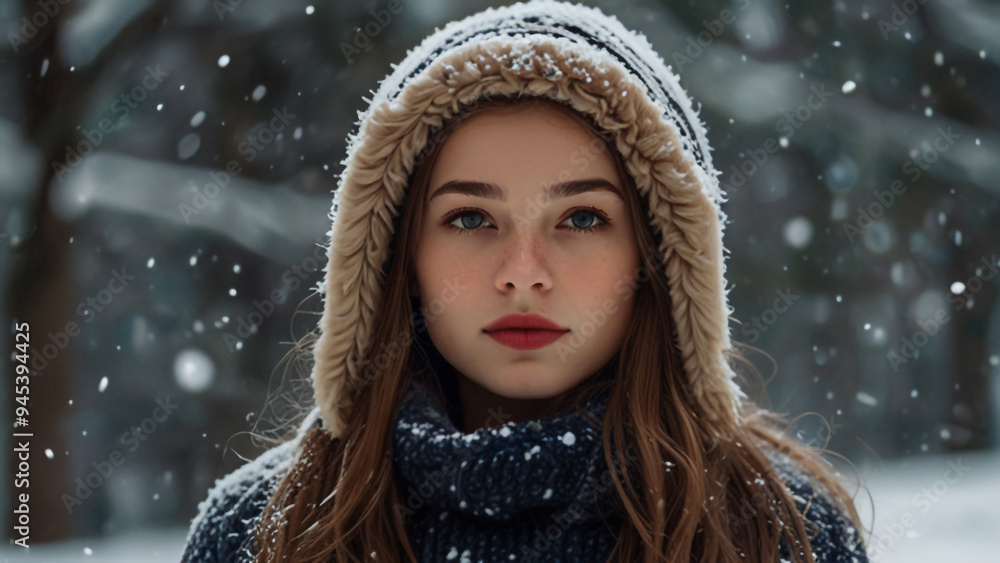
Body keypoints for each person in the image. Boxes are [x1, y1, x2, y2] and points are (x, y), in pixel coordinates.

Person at [182, 1, 871, 561]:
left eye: (580, 216)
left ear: (657, 257)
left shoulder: (783, 531)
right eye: (472, 217)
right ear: (399, 255)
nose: (522, 273)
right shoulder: (261, 531)